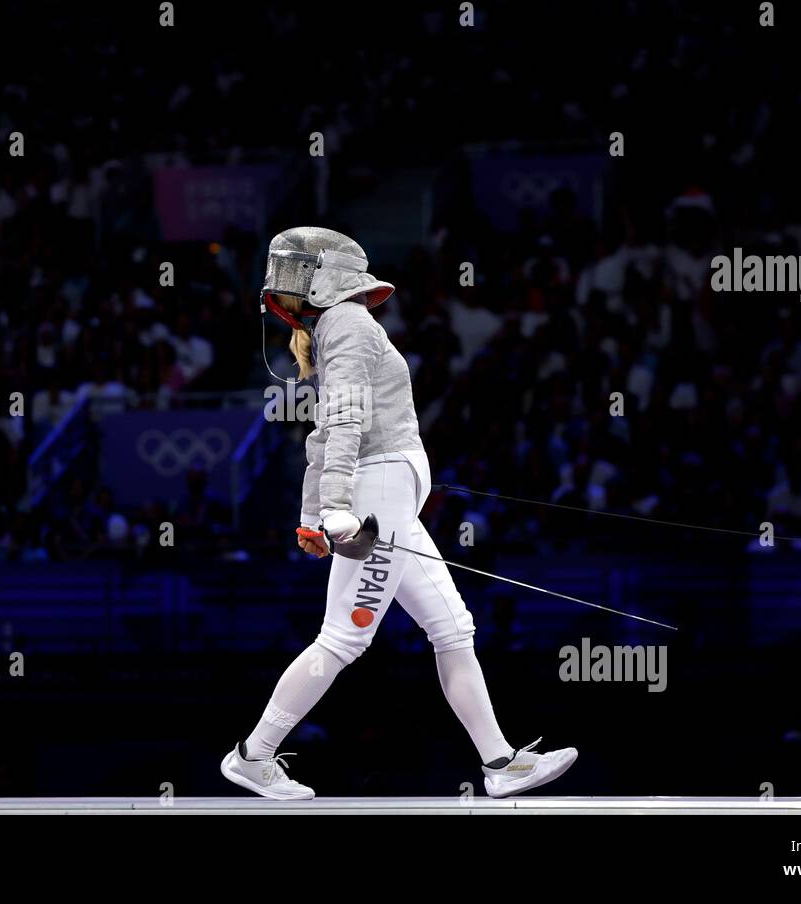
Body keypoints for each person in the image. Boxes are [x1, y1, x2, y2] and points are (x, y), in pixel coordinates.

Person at [221, 228, 577, 800]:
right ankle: (253, 756)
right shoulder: (349, 322)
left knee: (452, 628)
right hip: (378, 495)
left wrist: (314, 515)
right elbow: (343, 420)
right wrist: (334, 508)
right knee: (343, 639)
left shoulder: (336, 327)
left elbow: (322, 434)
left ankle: (501, 764)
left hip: (387, 499)